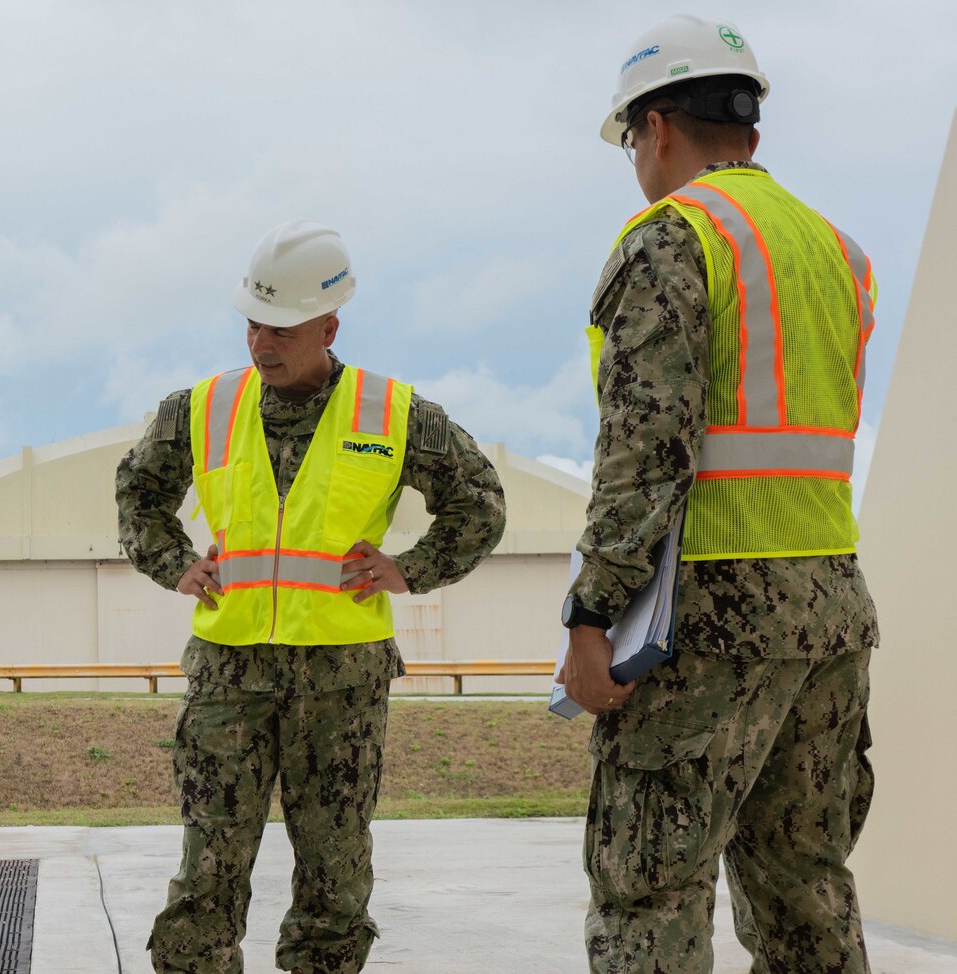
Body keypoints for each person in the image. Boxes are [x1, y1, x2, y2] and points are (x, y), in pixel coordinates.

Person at [557, 15, 879, 974]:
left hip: (707, 620)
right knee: (805, 890)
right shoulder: (838, 251)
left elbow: (641, 454)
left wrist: (590, 617)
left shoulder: (674, 239)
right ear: (750, 126)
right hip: (830, 613)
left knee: (648, 892)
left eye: (630, 143)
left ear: (656, 126)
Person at [117, 219, 506, 974]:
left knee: (334, 869)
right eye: (254, 325)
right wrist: (173, 564)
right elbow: (138, 493)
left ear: (330, 325)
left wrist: (411, 569)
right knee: (208, 867)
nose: (263, 344)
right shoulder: (200, 407)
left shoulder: (392, 412)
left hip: (342, 678)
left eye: (284, 330)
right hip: (230, 674)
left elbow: (480, 500)